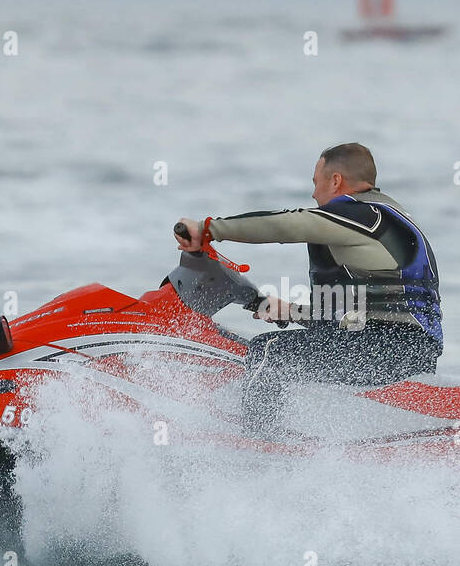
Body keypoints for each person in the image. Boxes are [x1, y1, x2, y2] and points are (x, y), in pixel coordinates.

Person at [175, 143, 442, 428]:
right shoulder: (388, 216)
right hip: (402, 348)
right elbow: (355, 315)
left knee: (270, 350)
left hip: (389, 348)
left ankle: (259, 440)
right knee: (275, 352)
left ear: (335, 180)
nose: (314, 193)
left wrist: (208, 229)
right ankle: (290, 436)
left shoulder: (362, 215)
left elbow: (286, 225)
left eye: (316, 183)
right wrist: (291, 312)